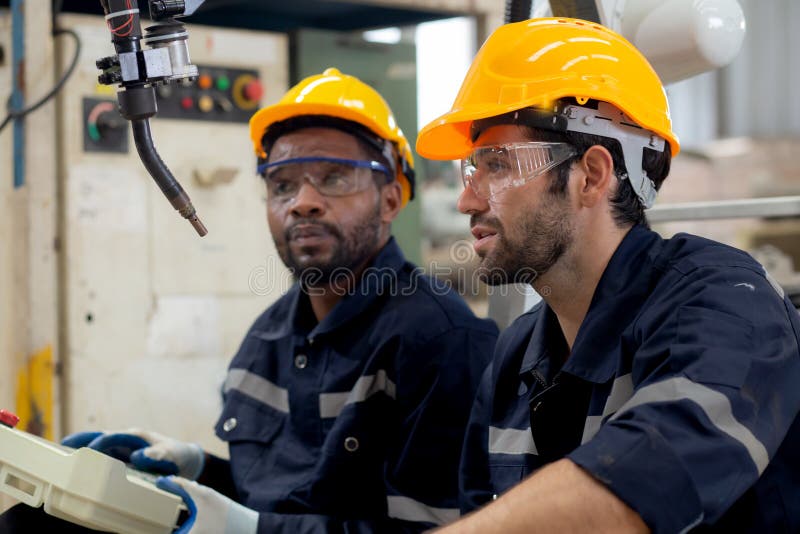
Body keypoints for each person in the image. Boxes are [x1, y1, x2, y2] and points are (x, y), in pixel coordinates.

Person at [0, 68, 498, 533]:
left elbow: (435, 530)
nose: (302, 201)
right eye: (282, 184)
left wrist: (246, 528)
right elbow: (281, 495)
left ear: (390, 199)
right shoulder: (269, 335)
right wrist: (198, 469)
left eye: (334, 177)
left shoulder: (441, 342)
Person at [415, 17, 800, 533]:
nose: (466, 199)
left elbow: (649, 481)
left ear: (591, 175)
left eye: (498, 165)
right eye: (471, 171)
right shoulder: (515, 358)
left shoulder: (726, 301)